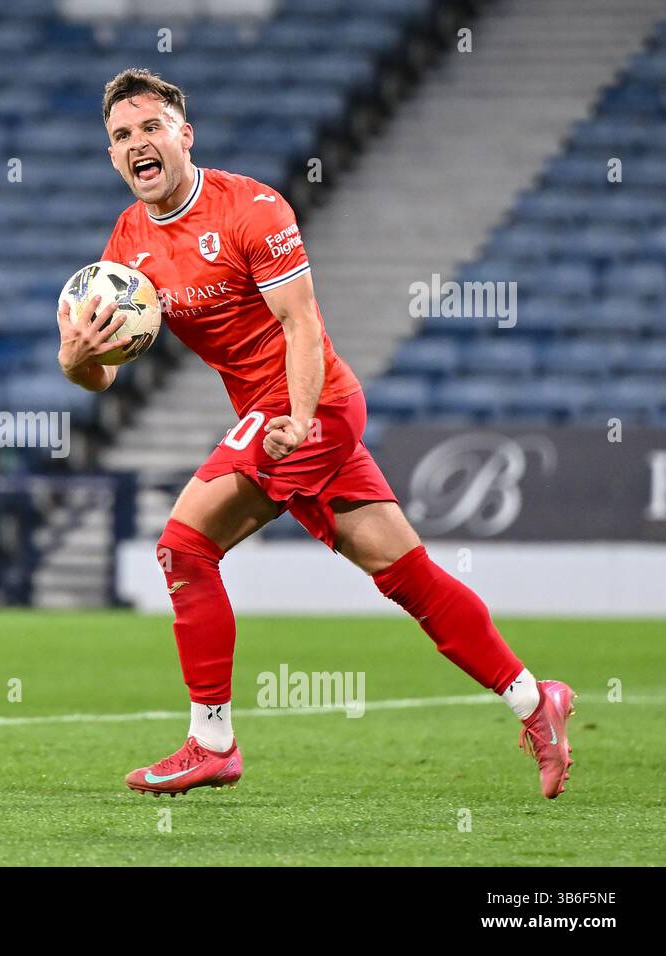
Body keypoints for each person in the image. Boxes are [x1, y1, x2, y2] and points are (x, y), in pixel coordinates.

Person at [55, 69, 574, 799]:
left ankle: (212, 742)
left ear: (183, 134)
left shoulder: (252, 208)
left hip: (313, 406)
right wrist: (76, 361)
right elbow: (102, 379)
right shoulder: (128, 239)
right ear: (111, 155)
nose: (137, 143)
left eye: (150, 127)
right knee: (407, 577)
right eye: (120, 136)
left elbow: (302, 324)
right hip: (275, 420)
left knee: (184, 548)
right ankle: (534, 700)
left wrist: (298, 418)